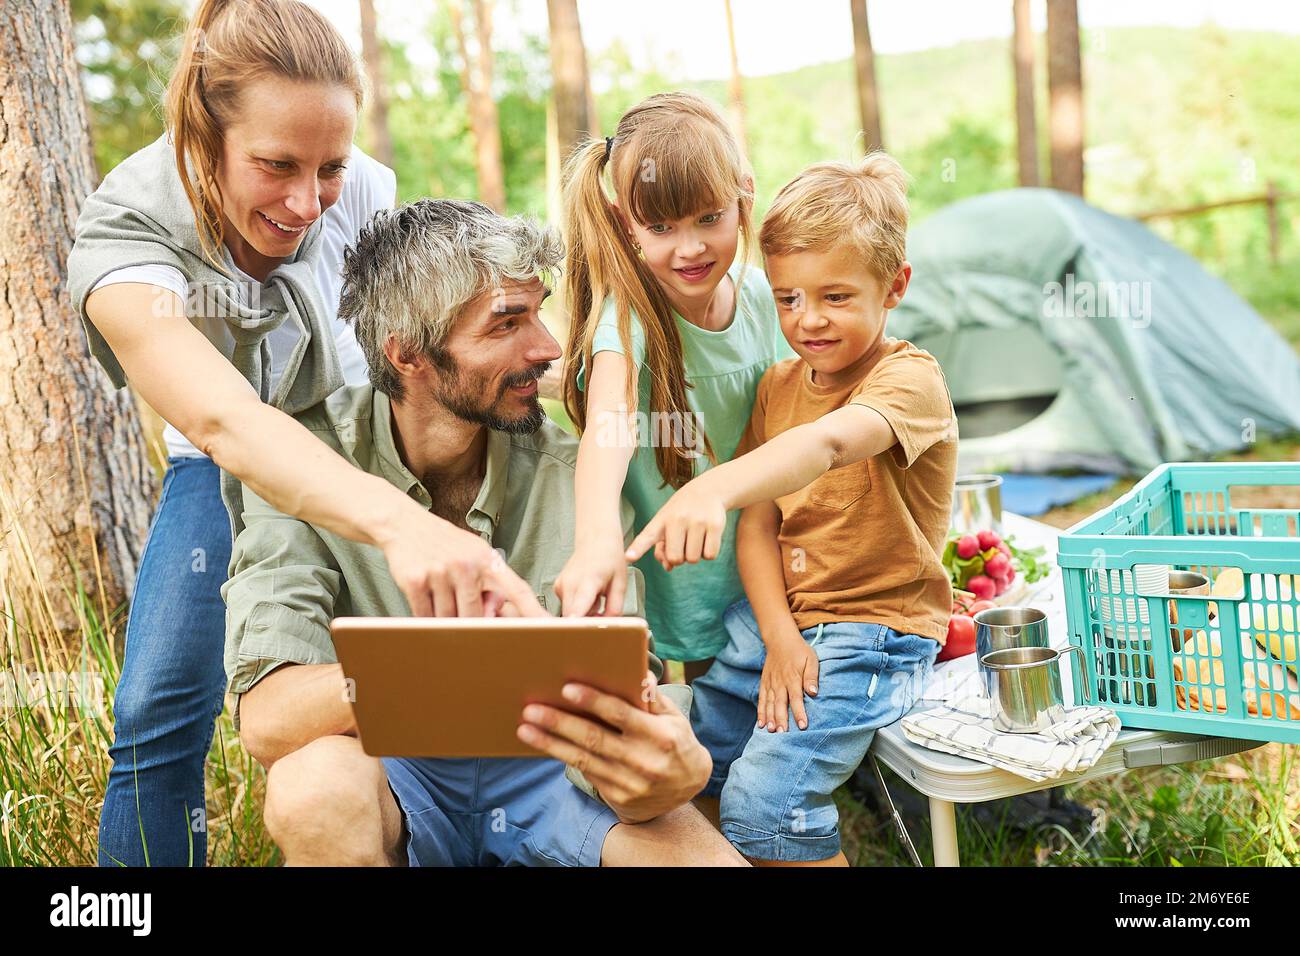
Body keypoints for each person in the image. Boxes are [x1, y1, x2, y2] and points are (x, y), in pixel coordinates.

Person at [66, 0, 541, 868]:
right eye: (276, 165)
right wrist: (403, 527)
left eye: (329, 168)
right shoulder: (125, 231)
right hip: (220, 465)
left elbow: (399, 338)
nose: (306, 202)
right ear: (200, 135)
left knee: (405, 673)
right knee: (156, 705)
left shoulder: (357, 186)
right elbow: (225, 421)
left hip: (360, 450)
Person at [224, 199, 743, 866]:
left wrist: (660, 773)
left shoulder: (572, 478)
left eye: (540, 312)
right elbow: (270, 717)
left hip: (551, 774)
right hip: (390, 765)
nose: (549, 348)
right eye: (507, 324)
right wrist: (455, 669)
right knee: (312, 789)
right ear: (408, 353)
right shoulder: (303, 463)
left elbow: (622, 713)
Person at [625, 154, 959, 865]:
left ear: (894, 286)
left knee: (766, 803)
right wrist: (779, 636)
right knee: (694, 767)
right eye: (787, 299)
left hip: (878, 629)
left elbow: (832, 442)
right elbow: (760, 525)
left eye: (836, 297)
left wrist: (712, 485)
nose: (809, 320)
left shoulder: (909, 380)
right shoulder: (778, 386)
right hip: (779, 625)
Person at [555, 91, 794, 680]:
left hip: (781, 552)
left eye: (709, 219)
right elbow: (608, 430)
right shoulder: (629, 320)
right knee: (715, 708)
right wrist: (595, 539)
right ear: (623, 223)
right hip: (690, 570)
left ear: (745, 193)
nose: (689, 248)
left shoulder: (769, 301)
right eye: (660, 227)